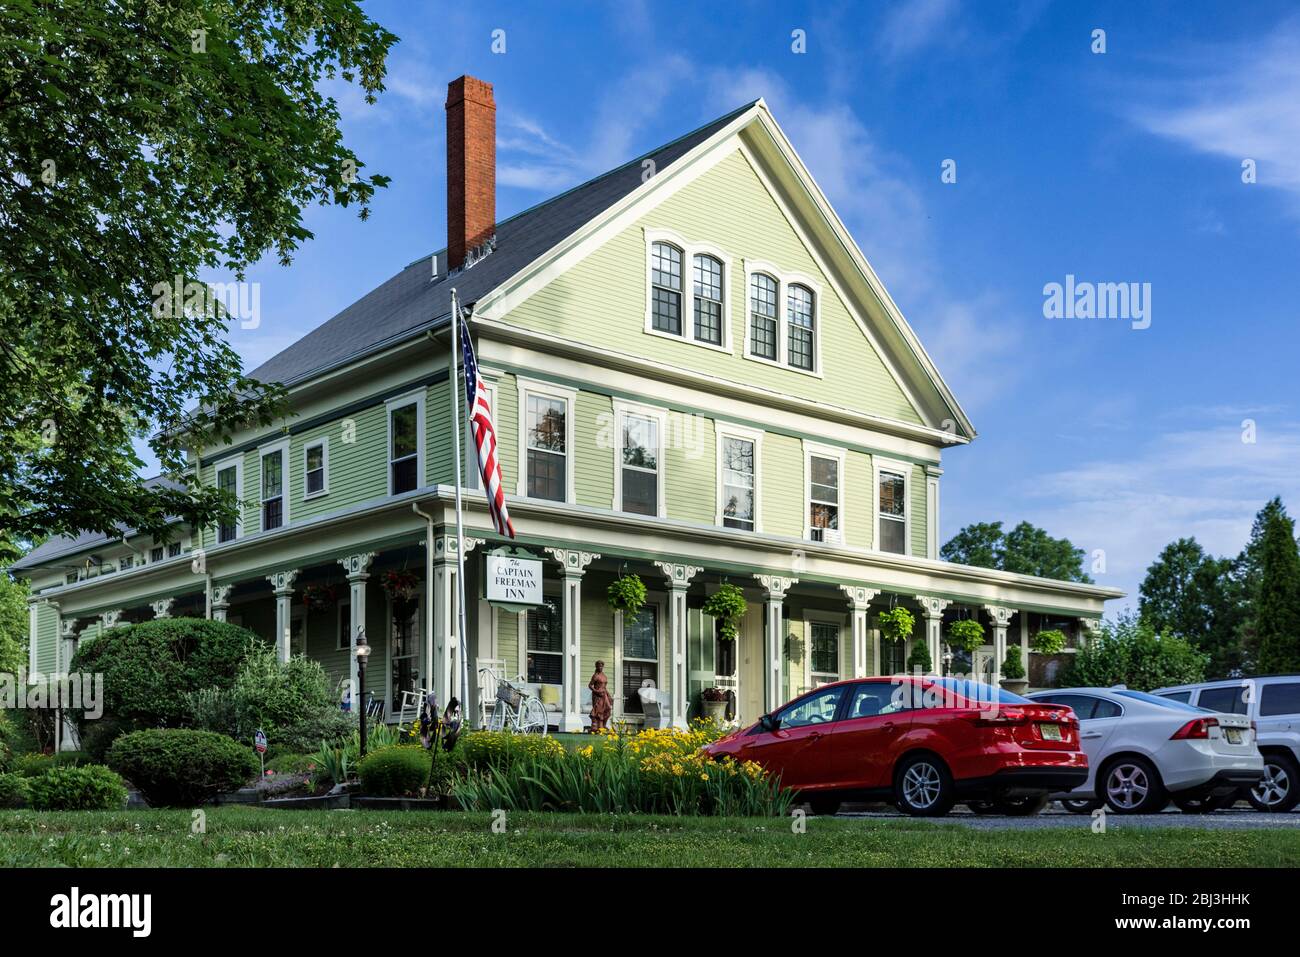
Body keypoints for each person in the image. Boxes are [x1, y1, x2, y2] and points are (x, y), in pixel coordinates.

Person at [588, 660, 613, 732]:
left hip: (604, 694)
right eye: (599, 666)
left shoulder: (604, 676)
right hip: (597, 695)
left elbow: (604, 687)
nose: (600, 667)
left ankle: (604, 725)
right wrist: (596, 691)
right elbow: (590, 685)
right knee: (598, 710)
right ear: (596, 667)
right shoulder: (595, 676)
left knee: (608, 708)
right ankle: (597, 726)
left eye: (601, 666)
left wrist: (609, 696)